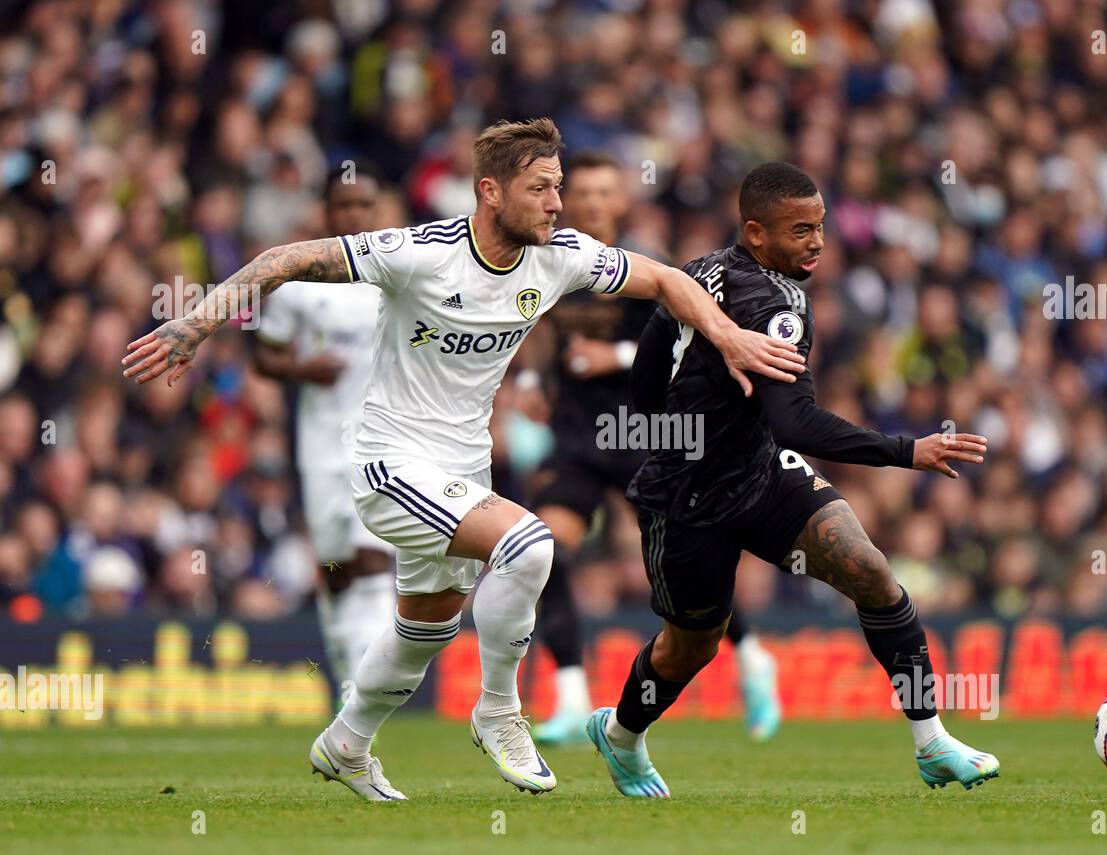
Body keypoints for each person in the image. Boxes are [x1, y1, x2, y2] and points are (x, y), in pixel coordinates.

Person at [121, 118, 804, 802]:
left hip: (460, 471)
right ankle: (500, 710)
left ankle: (346, 743)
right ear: (490, 192)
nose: (558, 203)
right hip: (389, 464)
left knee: (424, 630)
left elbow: (662, 280)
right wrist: (195, 323)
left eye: (559, 187)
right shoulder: (421, 252)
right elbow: (286, 260)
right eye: (540, 188)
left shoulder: (560, 255)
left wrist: (725, 334)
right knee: (532, 545)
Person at [588, 162, 999, 798]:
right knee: (690, 648)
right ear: (756, 232)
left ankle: (932, 741)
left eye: (821, 227)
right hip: (687, 501)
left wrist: (676, 427)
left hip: (760, 472)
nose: (818, 242)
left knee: (869, 571)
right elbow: (798, 422)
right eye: (801, 230)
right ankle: (620, 735)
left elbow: (646, 375)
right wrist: (905, 450)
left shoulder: (696, 273)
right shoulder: (776, 304)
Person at [518, 152, 781, 746]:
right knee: (545, 546)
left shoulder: (644, 270)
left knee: (688, 566)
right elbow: (534, 325)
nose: (588, 203)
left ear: (621, 203)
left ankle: (751, 657)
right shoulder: (550, 262)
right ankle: (570, 692)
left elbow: (690, 347)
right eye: (579, 192)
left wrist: (612, 357)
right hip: (577, 437)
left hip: (644, 433)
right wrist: (532, 382)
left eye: (602, 193)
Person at [252, 162, 395, 705]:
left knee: (373, 553)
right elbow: (265, 357)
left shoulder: (394, 276)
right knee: (335, 563)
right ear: (327, 212)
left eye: (365, 206)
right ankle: (347, 669)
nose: (356, 215)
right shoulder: (299, 283)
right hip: (319, 445)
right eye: (346, 206)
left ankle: (372, 684)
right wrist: (304, 370)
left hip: (382, 442)